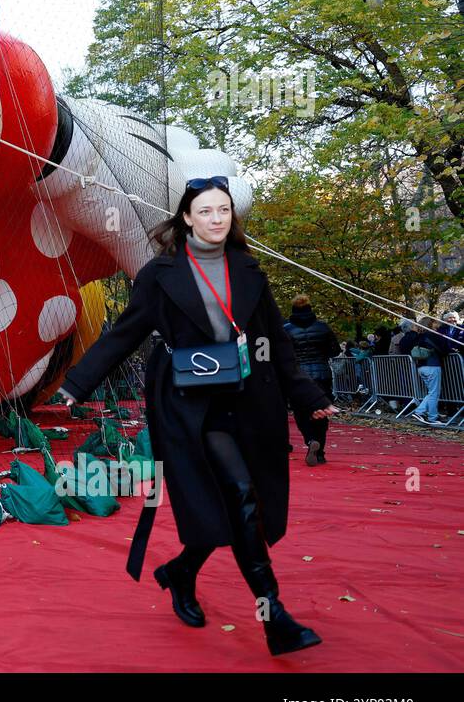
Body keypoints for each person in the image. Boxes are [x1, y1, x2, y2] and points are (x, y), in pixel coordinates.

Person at [58, 176, 336, 657]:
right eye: (205, 211)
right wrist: (75, 384)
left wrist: (307, 396)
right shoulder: (159, 273)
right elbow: (124, 334)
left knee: (228, 508)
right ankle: (276, 617)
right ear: (187, 217)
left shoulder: (248, 269)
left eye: (223, 210)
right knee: (240, 494)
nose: (216, 219)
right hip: (188, 404)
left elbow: (278, 345)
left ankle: (180, 572)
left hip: (247, 400)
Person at [282, 295, 341, 466]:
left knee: (301, 413)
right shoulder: (323, 328)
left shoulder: (287, 330)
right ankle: (320, 451)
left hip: (298, 375)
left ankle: (310, 440)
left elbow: (283, 353)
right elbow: (335, 350)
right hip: (321, 373)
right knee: (322, 412)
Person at [401, 318, 449, 426]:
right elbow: (444, 350)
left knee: (431, 392)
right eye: (436, 323)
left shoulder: (418, 337)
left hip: (421, 367)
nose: (438, 325)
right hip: (432, 365)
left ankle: (430, 414)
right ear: (431, 324)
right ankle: (427, 415)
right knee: (434, 393)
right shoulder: (432, 336)